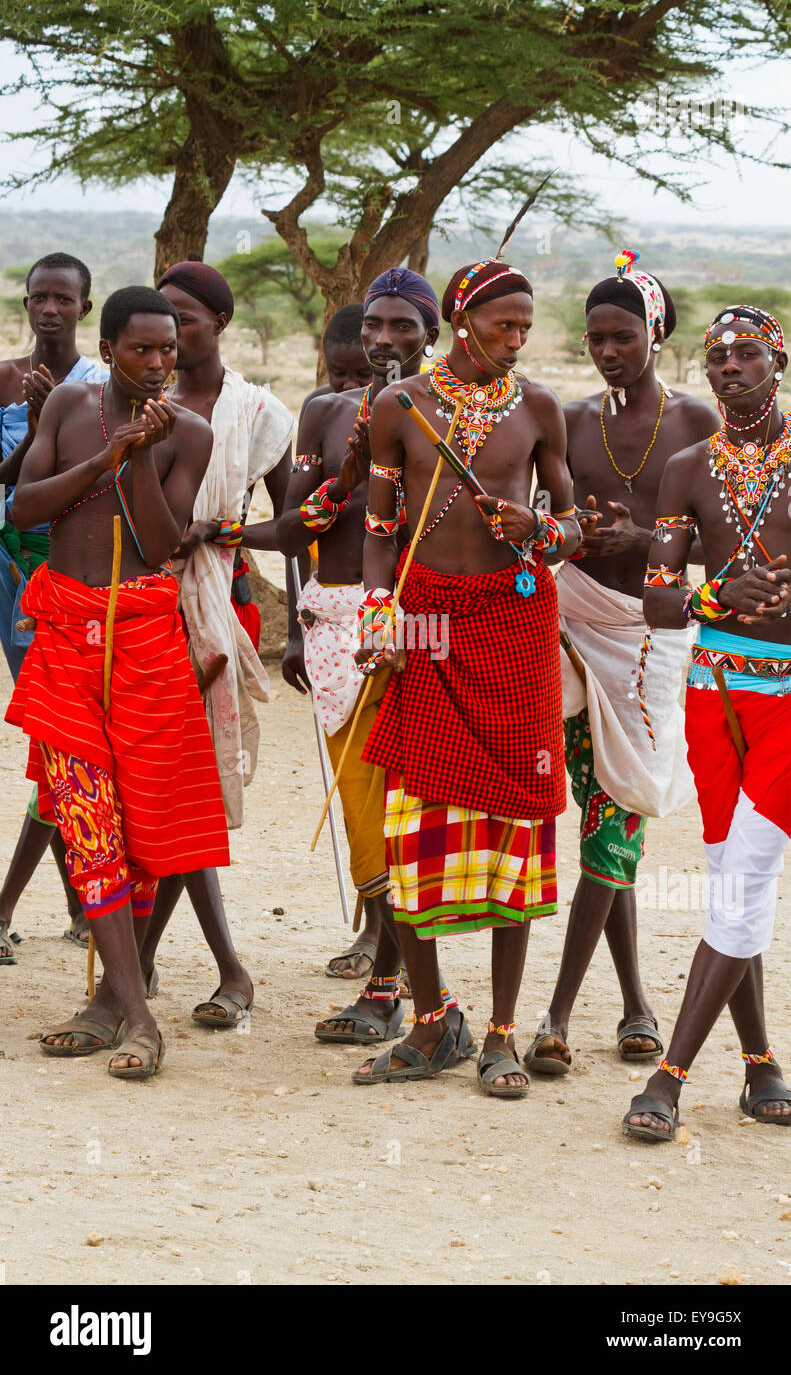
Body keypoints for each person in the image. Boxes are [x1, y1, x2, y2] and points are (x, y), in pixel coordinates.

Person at [352, 258, 582, 1096]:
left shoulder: (539, 409)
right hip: (425, 621)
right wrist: (379, 612)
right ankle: (428, 1019)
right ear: (460, 318)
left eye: (524, 327)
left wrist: (542, 526)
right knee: (413, 819)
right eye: (501, 324)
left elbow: (574, 526)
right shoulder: (400, 405)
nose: (514, 340)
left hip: (515, 626)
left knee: (514, 825)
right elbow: (379, 530)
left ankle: (499, 1034)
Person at [6, 285, 228, 1079]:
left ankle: (110, 1004)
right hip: (66, 636)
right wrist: (105, 456)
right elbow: (22, 507)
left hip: (145, 639)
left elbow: (165, 543)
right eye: (143, 350)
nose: (161, 363)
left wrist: (141, 461)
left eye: (170, 350)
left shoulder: (191, 433)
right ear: (109, 351)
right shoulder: (68, 408)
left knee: (143, 829)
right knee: (86, 817)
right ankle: (140, 1020)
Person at [525, 252, 720, 1075]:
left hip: (650, 639)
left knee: (615, 824)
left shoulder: (695, 425)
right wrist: (566, 536)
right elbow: (545, 526)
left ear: (655, 334)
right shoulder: (568, 421)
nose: (607, 351)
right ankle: (634, 1004)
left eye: (622, 336)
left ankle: (558, 1013)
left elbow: (732, 540)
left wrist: (645, 545)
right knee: (604, 820)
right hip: (568, 626)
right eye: (595, 338)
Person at [279, 267, 476, 1053]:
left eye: (403, 327)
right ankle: (409, 991)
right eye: (374, 328)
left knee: (410, 810)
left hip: (425, 627)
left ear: (432, 335)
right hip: (337, 626)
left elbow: (462, 530)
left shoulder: (457, 415)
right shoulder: (324, 410)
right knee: (364, 809)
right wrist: (348, 477)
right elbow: (296, 526)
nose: (387, 341)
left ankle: (393, 989)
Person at [624, 303, 791, 1140]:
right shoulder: (687, 466)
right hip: (711, 697)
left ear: (779, 361)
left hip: (790, 704)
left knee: (744, 878)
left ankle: (668, 1074)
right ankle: (760, 1063)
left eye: (748, 354)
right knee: (735, 878)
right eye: (717, 356)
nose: (730, 366)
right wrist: (717, 595)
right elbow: (657, 602)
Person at [135, 260, 297, 1024]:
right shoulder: (137, 401)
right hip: (133, 609)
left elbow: (298, 526)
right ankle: (172, 962)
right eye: (161, 322)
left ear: (219, 324)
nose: (170, 336)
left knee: (188, 790)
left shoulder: (261, 413)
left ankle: (211, 968)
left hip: (207, 616)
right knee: (155, 792)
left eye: (185, 321)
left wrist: (222, 532)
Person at [0, 252, 110, 961]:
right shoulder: (5, 377)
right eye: (38, 296)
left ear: (84, 308)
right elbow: (9, 488)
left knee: (68, 737)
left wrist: (54, 421)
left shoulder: (102, 387)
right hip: (14, 571)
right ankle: (76, 900)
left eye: (63, 299)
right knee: (54, 736)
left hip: (78, 573)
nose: (48, 309)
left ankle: (61, 900)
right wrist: (35, 424)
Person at [300, 305, 371, 408]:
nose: (350, 386)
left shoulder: (392, 406)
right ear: (327, 367)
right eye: (339, 373)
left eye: (363, 374)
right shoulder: (316, 405)